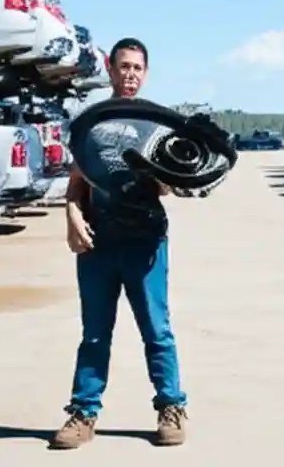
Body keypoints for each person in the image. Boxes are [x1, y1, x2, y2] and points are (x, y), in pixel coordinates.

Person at [51, 37, 188, 450]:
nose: (130, 74)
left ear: (145, 74)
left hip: (144, 242)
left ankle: (172, 407)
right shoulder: (90, 122)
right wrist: (72, 216)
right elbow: (76, 185)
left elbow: (169, 184)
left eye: (137, 68)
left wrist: (169, 180)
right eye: (123, 66)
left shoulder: (155, 125)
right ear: (110, 69)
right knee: (95, 334)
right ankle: (83, 413)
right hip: (98, 243)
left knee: (157, 330)